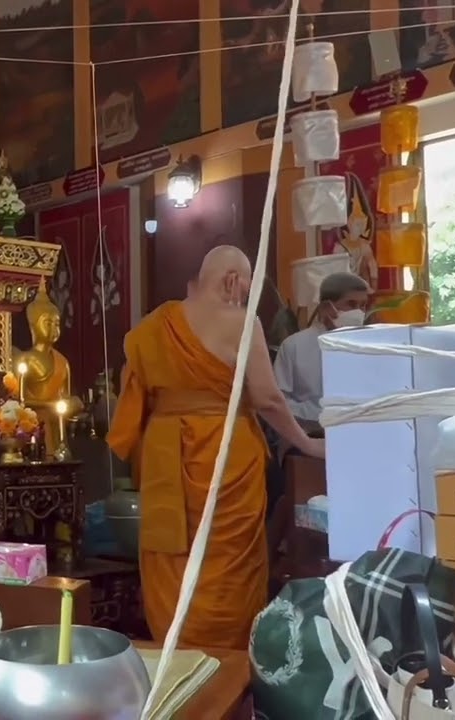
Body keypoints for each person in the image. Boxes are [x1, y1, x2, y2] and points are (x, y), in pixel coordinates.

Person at [107, 245, 325, 650]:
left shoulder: (154, 325)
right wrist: (308, 445)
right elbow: (268, 400)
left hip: (165, 452)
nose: (247, 294)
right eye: (247, 284)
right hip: (223, 448)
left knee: (171, 555)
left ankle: (177, 652)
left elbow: (133, 395)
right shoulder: (241, 323)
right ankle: (224, 663)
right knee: (227, 560)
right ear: (231, 280)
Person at [274, 271, 370, 423]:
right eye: (351, 304)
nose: (358, 312)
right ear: (326, 307)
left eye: (362, 306)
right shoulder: (294, 346)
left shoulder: (369, 346)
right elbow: (279, 401)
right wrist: (315, 418)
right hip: (308, 436)